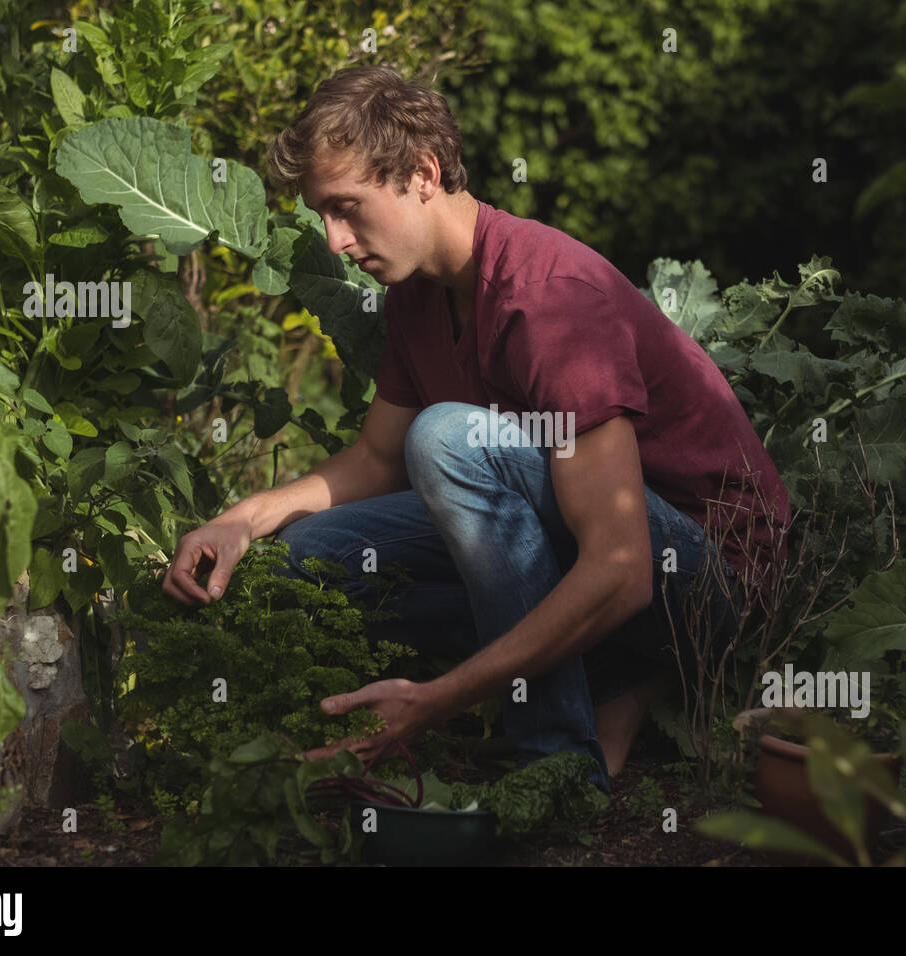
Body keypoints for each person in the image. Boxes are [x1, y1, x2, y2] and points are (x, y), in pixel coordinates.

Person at [162, 65, 789, 795]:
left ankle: (556, 768)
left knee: (451, 439)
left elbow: (622, 569)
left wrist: (433, 702)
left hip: (703, 578)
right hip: (591, 552)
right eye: (322, 214)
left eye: (347, 208)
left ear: (422, 174)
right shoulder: (417, 295)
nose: (333, 240)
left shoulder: (549, 298)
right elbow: (376, 458)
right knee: (311, 550)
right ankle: (604, 681)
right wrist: (238, 521)